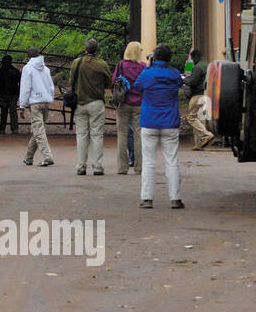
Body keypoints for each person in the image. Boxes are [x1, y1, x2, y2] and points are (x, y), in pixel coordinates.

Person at [133, 44, 185, 208]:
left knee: (148, 162)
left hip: (149, 122)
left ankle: (147, 199)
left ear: (154, 57)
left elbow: (137, 86)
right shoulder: (174, 73)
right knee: (172, 161)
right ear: (169, 58)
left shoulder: (148, 74)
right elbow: (179, 84)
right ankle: (175, 199)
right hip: (170, 122)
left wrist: (148, 66)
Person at [68, 37, 111, 175]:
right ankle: (97, 167)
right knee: (97, 135)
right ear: (97, 50)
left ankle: (81, 166)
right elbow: (109, 83)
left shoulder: (76, 62)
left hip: (80, 103)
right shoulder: (102, 64)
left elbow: (71, 81)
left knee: (81, 135)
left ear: (85, 49)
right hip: (96, 103)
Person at [17, 47, 55, 167]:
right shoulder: (46, 69)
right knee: (38, 129)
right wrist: (50, 98)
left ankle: (47, 156)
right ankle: (29, 157)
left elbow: (25, 88)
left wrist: (22, 105)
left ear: (28, 57)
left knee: (38, 130)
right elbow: (51, 86)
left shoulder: (28, 69)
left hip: (35, 103)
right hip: (45, 101)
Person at [112, 41, 146, 175]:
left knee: (122, 134)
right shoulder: (143, 67)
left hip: (123, 102)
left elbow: (114, 81)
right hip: (139, 104)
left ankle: (122, 167)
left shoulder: (121, 65)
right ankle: (139, 167)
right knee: (138, 134)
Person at [183, 49, 214, 149]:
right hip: (207, 95)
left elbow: (191, 79)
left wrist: (184, 79)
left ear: (195, 57)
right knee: (201, 119)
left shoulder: (196, 66)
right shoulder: (208, 65)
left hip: (197, 95)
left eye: (192, 59)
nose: (192, 60)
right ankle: (199, 144)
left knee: (191, 117)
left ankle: (206, 134)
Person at [0, 53, 21, 134]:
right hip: (14, 93)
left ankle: (2, 129)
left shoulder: (1, 71)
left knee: (4, 112)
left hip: (4, 93)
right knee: (13, 112)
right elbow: (19, 83)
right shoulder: (16, 71)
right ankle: (15, 129)